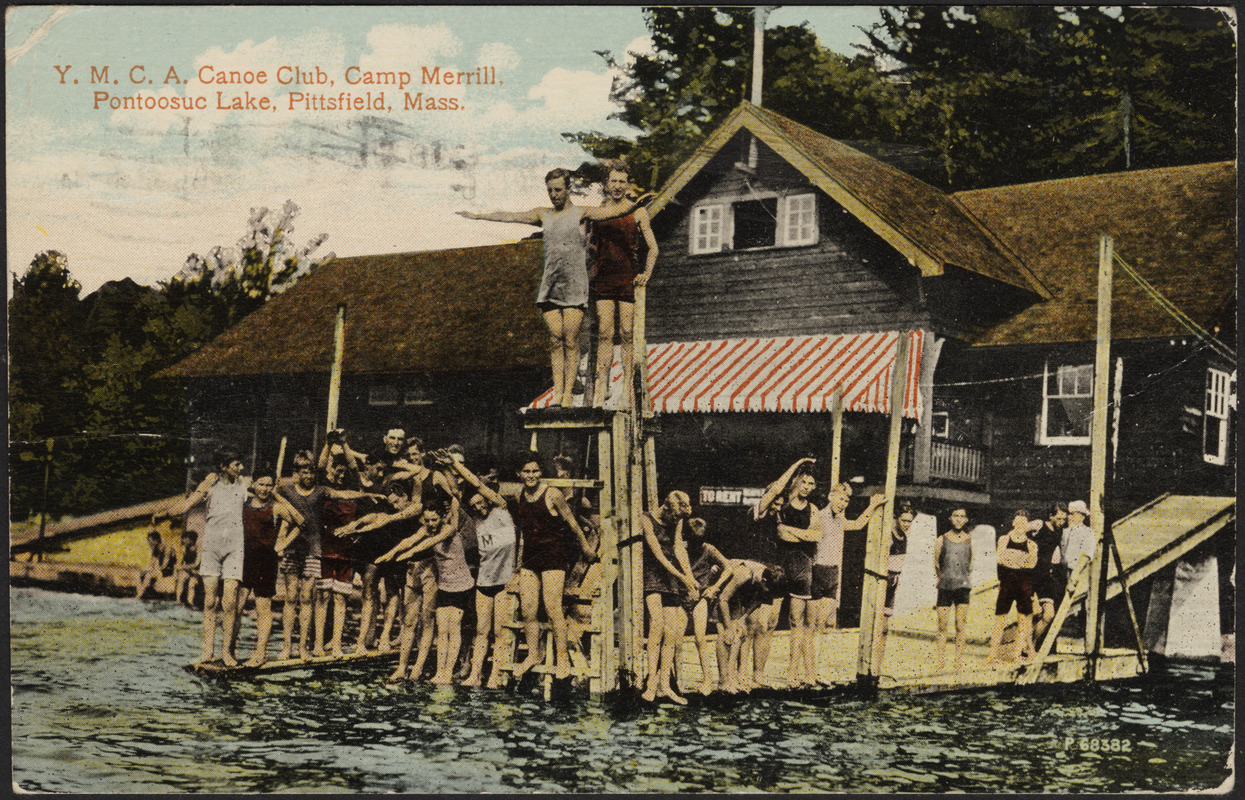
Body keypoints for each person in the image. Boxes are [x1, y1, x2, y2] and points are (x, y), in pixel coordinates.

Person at [457, 168, 650, 408]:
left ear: (568, 189)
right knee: (555, 340)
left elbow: (613, 211)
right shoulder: (543, 214)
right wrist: (478, 216)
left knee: (571, 341)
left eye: (558, 190)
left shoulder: (581, 212)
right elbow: (510, 215)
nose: (553, 195)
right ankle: (558, 395)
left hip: (574, 285)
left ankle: (568, 395)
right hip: (550, 285)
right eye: (550, 190)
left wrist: (637, 204)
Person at [506, 452, 596, 681]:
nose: (531, 475)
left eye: (535, 470)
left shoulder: (553, 494)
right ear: (519, 474)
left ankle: (563, 659)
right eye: (526, 471)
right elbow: (523, 533)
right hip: (530, 557)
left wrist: (586, 547)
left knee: (553, 608)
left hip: (554, 556)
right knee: (527, 609)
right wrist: (517, 565)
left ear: (541, 472)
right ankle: (533, 655)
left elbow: (573, 524)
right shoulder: (519, 496)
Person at [160, 450, 248, 666]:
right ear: (224, 466)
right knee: (210, 601)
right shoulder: (210, 485)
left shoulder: (243, 485)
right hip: (212, 548)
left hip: (235, 548)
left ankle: (227, 652)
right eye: (237, 464)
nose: (241, 468)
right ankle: (207, 651)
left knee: (229, 602)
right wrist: (166, 513)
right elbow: (187, 504)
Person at [589, 163, 659, 409]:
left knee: (628, 334)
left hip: (627, 278)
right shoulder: (597, 212)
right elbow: (588, 246)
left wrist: (646, 273)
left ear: (628, 184)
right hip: (604, 278)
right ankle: (601, 389)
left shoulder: (637, 212)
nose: (617, 186)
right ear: (606, 184)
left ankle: (628, 389)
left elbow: (653, 248)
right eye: (613, 181)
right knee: (606, 333)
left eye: (622, 181)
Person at [447, 459, 518, 689]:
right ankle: (475, 674)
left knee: (499, 631)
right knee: (481, 630)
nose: (478, 507)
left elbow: (476, 484)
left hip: (504, 581)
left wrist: (457, 466)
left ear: (487, 498)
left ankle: (495, 675)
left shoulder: (501, 511)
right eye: (474, 505)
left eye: (480, 502)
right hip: (484, 581)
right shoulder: (476, 522)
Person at [375, 497, 457, 682]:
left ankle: (418, 668)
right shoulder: (424, 529)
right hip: (416, 572)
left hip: (433, 574)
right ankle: (402, 667)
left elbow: (428, 543)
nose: (430, 524)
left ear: (442, 517)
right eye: (427, 520)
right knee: (410, 622)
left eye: (434, 520)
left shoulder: (447, 529)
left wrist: (409, 553)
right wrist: (391, 553)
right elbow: (409, 540)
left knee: (427, 622)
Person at [812, 482, 883, 679]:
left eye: (846, 500)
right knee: (813, 625)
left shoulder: (839, 519)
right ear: (830, 496)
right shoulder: (819, 515)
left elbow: (859, 524)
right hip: (818, 570)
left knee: (823, 625)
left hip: (832, 573)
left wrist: (873, 505)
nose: (843, 503)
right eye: (840, 498)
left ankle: (816, 669)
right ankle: (808, 670)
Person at [768, 459, 823, 688]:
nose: (808, 487)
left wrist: (791, 531)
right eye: (805, 482)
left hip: (802, 568)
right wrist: (799, 533)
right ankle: (755, 674)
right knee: (769, 621)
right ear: (797, 483)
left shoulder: (813, 509)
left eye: (812, 484)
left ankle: (793, 672)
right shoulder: (783, 505)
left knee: (796, 622)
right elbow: (781, 535)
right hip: (782, 567)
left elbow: (816, 536)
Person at [640, 490, 698, 704]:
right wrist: (682, 576)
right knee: (657, 625)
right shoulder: (646, 519)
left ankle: (665, 685)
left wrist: (690, 577)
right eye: (674, 517)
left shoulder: (677, 520)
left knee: (672, 631)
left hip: (671, 575)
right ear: (665, 508)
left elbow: (677, 549)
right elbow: (658, 554)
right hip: (653, 574)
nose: (677, 521)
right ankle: (651, 683)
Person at [239, 473, 301, 666]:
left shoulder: (276, 507)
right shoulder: (244, 505)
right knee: (236, 605)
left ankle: (260, 654)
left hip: (266, 560)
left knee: (262, 608)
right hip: (244, 559)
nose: (264, 489)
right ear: (253, 484)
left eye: (269, 485)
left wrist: (282, 544)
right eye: (261, 484)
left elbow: (300, 523)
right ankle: (231, 651)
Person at [714, 559, 783, 694]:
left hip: (735, 596)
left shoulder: (766, 582)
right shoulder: (744, 574)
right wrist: (729, 626)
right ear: (763, 580)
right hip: (719, 592)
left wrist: (742, 618)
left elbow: (756, 601)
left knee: (741, 632)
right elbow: (723, 598)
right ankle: (724, 681)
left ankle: (737, 677)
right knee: (727, 635)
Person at [683, 517, 732, 694]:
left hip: (702, 596)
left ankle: (707, 679)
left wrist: (714, 587)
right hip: (683, 593)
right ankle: (676, 680)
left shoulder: (708, 549)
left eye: (700, 541)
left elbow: (728, 568)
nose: (697, 545)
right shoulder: (681, 548)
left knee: (699, 637)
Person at [987, 509, 1039, 666]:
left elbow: (1032, 564)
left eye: (1024, 522)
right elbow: (1001, 559)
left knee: (1023, 620)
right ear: (1013, 522)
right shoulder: (1004, 539)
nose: (1021, 525)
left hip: (1023, 584)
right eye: (1018, 521)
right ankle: (992, 655)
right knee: (1000, 619)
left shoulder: (1031, 544)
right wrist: (1020, 560)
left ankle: (1016, 655)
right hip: (1007, 583)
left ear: (1028, 525)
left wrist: (1013, 560)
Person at [872, 505, 914, 673]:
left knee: (885, 626)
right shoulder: (889, 535)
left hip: (895, 580)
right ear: (897, 518)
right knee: (877, 623)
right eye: (903, 520)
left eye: (909, 521)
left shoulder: (905, 535)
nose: (906, 524)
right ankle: (872, 661)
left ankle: (879, 664)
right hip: (885, 579)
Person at [933, 507, 973, 671]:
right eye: (955, 516)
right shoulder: (941, 539)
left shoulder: (969, 539)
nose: (958, 519)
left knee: (960, 625)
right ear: (950, 518)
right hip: (945, 587)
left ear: (966, 520)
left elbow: (969, 563)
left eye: (962, 516)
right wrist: (943, 577)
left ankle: (958, 661)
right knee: (942, 626)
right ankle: (941, 661)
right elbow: (936, 563)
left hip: (963, 587)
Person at [1029, 502, 1067, 648]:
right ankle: (1025, 647)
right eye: (1058, 518)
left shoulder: (1060, 531)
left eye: (1064, 519)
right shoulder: (1039, 525)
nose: (1061, 522)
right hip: (1030, 575)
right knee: (1030, 614)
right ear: (1051, 516)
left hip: (1044, 577)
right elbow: (1017, 531)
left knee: (1049, 615)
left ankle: (1030, 644)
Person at [135, 530, 176, 600]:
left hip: (168, 571)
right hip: (160, 571)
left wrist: (152, 570)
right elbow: (152, 563)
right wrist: (145, 570)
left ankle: (139, 596)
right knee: (137, 574)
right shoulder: (155, 549)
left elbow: (164, 565)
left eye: (151, 541)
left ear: (157, 540)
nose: (149, 543)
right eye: (148, 541)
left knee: (148, 575)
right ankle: (139, 594)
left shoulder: (167, 549)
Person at [173, 530, 201, 609]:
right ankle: (178, 600)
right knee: (181, 578)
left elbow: (196, 564)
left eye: (186, 538)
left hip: (197, 571)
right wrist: (180, 567)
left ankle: (190, 602)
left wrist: (183, 567)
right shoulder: (185, 548)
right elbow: (182, 562)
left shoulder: (198, 549)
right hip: (188, 570)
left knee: (192, 583)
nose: (184, 540)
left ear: (191, 539)